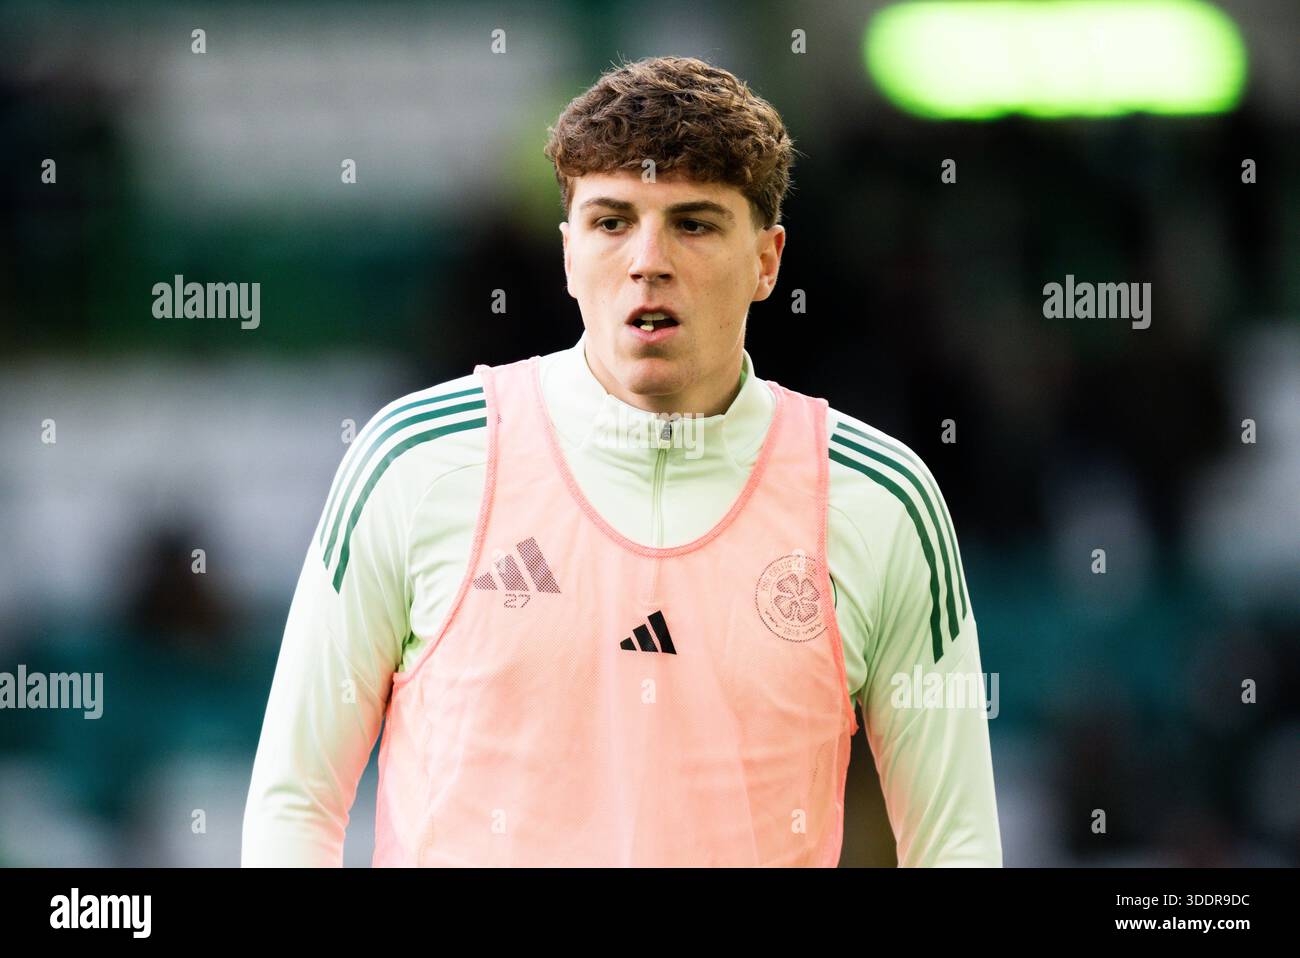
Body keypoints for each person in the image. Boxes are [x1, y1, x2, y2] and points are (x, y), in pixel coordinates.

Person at [242, 55, 1001, 867]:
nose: (649, 259)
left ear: (767, 260)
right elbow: (295, 803)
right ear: (568, 252)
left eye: (694, 223)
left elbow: (956, 843)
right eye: (612, 222)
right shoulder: (416, 464)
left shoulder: (879, 500)